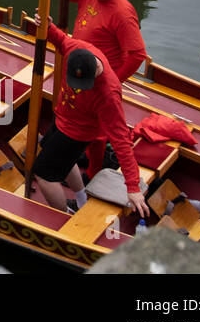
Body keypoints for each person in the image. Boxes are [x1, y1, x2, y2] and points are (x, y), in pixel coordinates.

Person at [35, 16, 150, 219]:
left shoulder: (109, 93)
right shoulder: (76, 48)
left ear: (96, 69)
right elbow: (61, 40)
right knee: (66, 161)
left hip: (76, 133)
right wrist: (47, 26)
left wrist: (132, 186)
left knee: (43, 174)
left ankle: (63, 219)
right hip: (63, 118)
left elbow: (121, 140)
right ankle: (81, 202)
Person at [56, 0, 146, 80]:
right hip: (78, 67)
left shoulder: (123, 14)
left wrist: (114, 81)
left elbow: (137, 55)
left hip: (99, 77)